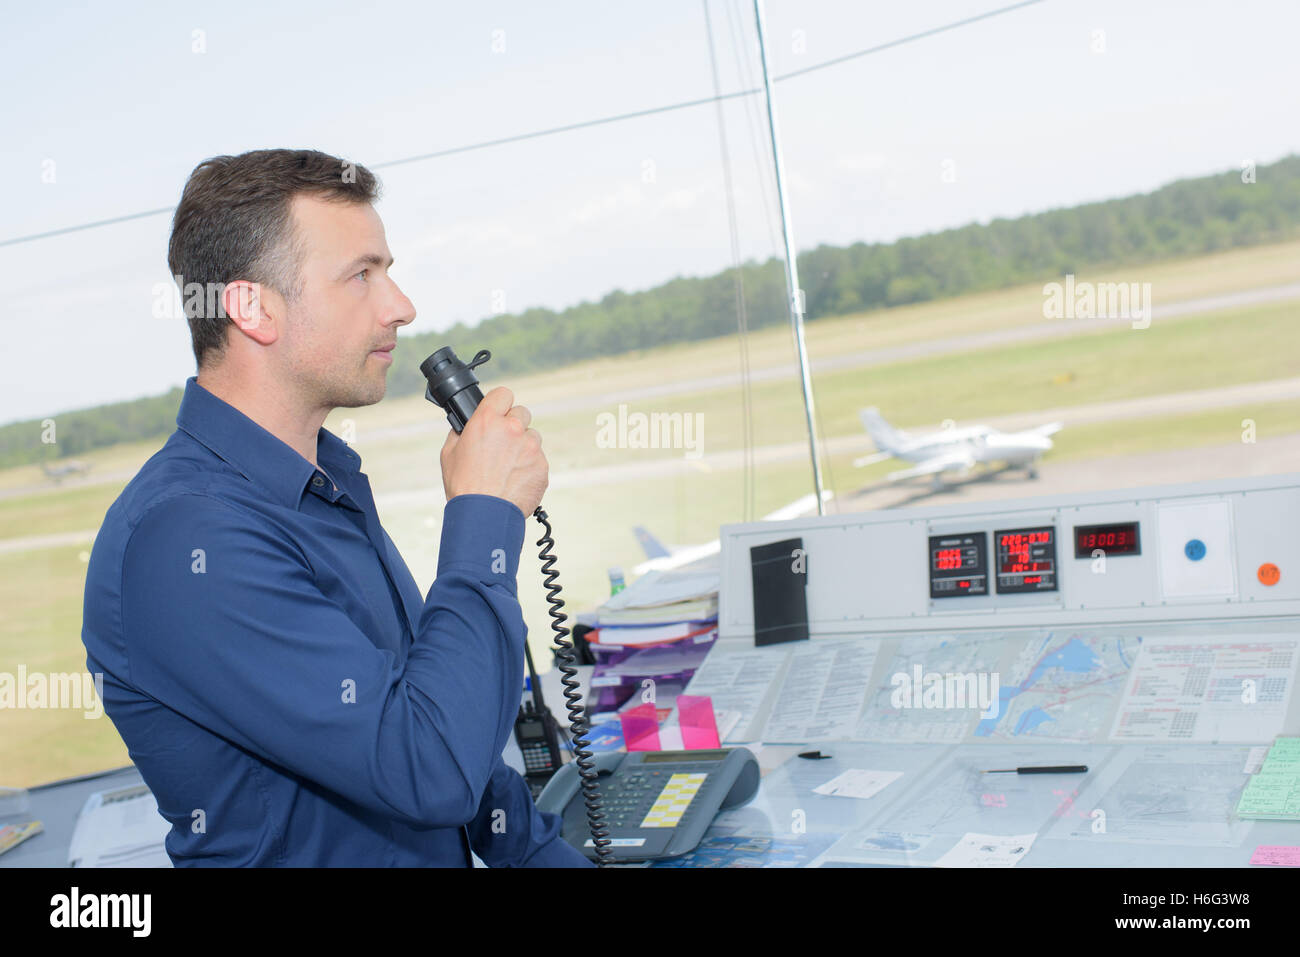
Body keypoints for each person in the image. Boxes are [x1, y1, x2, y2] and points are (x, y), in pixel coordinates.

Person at [81, 148, 592, 867]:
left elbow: (459, 753)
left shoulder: (326, 485)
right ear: (252, 307)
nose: (401, 306)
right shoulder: (186, 538)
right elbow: (429, 766)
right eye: (362, 276)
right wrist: (482, 515)